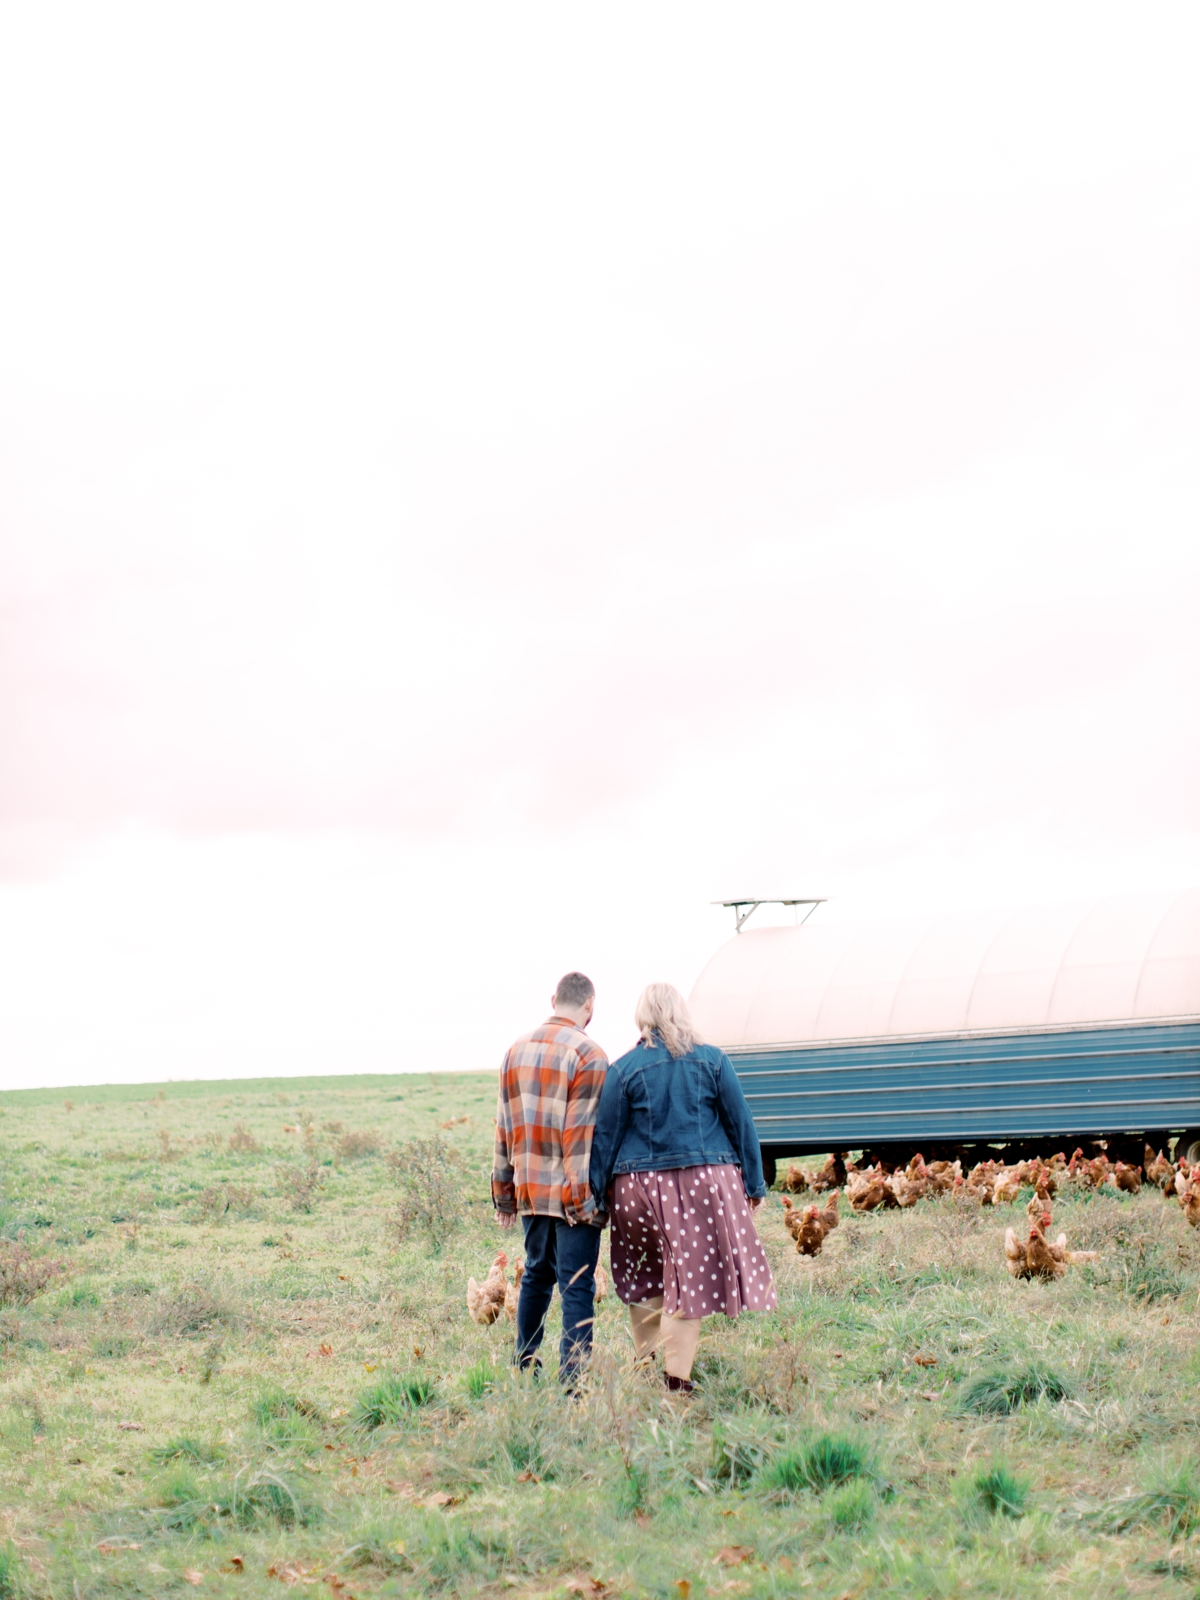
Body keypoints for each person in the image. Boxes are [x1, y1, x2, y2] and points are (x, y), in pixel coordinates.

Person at [589, 981, 776, 1393]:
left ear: (643, 1018)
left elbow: (606, 1138)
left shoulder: (623, 1068)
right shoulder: (712, 1060)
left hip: (635, 1189)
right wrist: (754, 1184)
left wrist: (598, 1198)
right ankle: (677, 1383)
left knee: (645, 1276)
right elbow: (740, 1123)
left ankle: (643, 1364)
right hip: (703, 1183)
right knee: (687, 1280)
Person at [492, 971, 608, 1384]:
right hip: (572, 1193)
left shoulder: (515, 1050)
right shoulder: (590, 1055)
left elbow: (504, 1126)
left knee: (537, 1273)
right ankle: (573, 1383)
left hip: (530, 1188)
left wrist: (504, 1192)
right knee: (576, 1284)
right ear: (589, 1005)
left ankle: (525, 1363)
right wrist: (583, 1205)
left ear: (554, 997)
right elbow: (578, 1138)